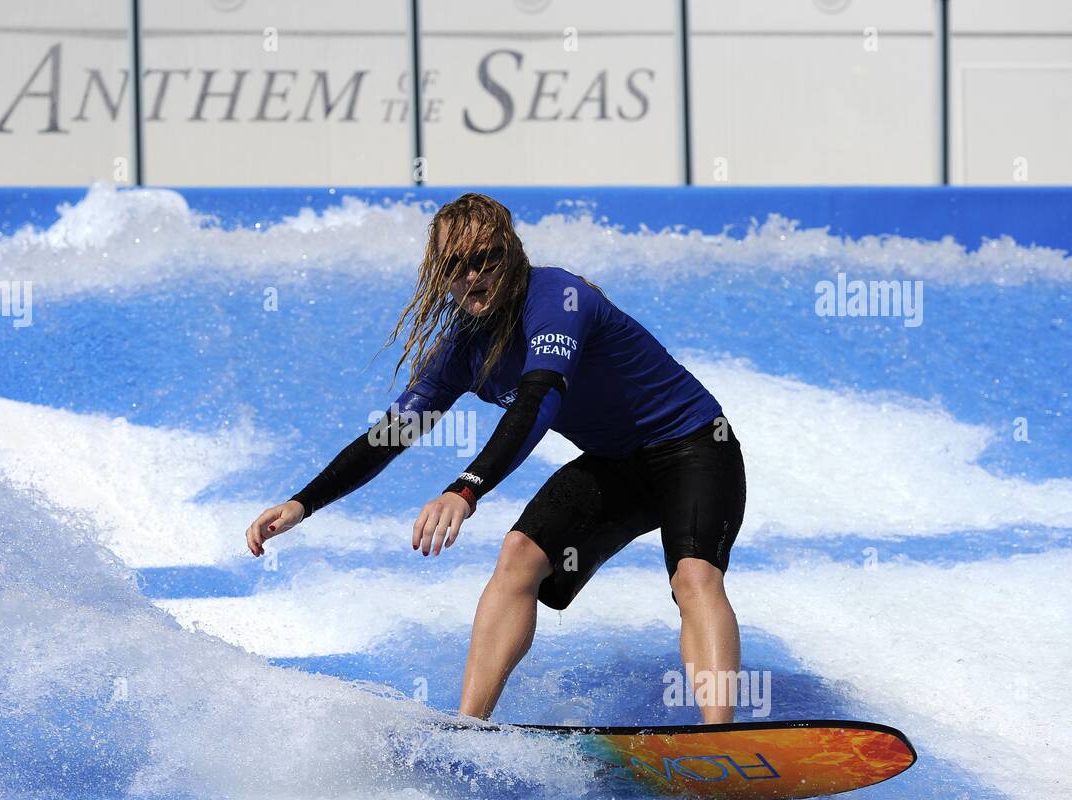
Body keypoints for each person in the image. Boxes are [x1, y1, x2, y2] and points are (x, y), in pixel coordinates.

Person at [245, 193, 747, 723]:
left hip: (695, 446)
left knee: (693, 576)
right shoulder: (463, 348)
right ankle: (469, 725)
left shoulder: (560, 298)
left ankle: (719, 738)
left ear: (511, 254)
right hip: (616, 464)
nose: (472, 276)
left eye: (485, 259)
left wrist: (465, 489)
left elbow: (537, 402)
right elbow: (392, 433)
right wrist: (303, 503)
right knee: (518, 555)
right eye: (455, 266)